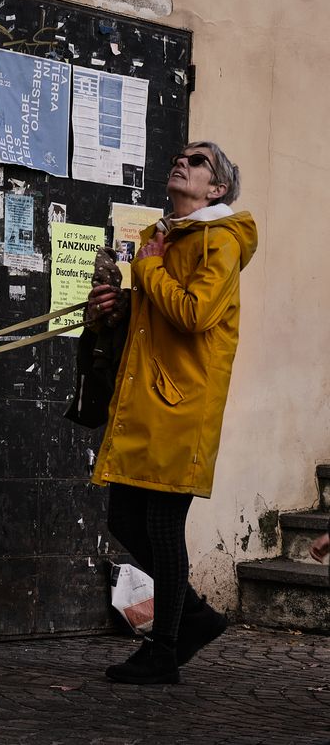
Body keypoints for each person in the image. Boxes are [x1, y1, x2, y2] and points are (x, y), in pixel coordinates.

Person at [87, 141, 258, 685]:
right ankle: (198, 618)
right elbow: (155, 320)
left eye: (198, 160)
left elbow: (194, 312)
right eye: (179, 155)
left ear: (217, 189)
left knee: (162, 528)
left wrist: (151, 271)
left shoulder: (220, 242)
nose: (180, 161)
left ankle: (164, 652)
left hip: (182, 408)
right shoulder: (163, 239)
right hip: (145, 405)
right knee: (122, 519)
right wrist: (116, 312)